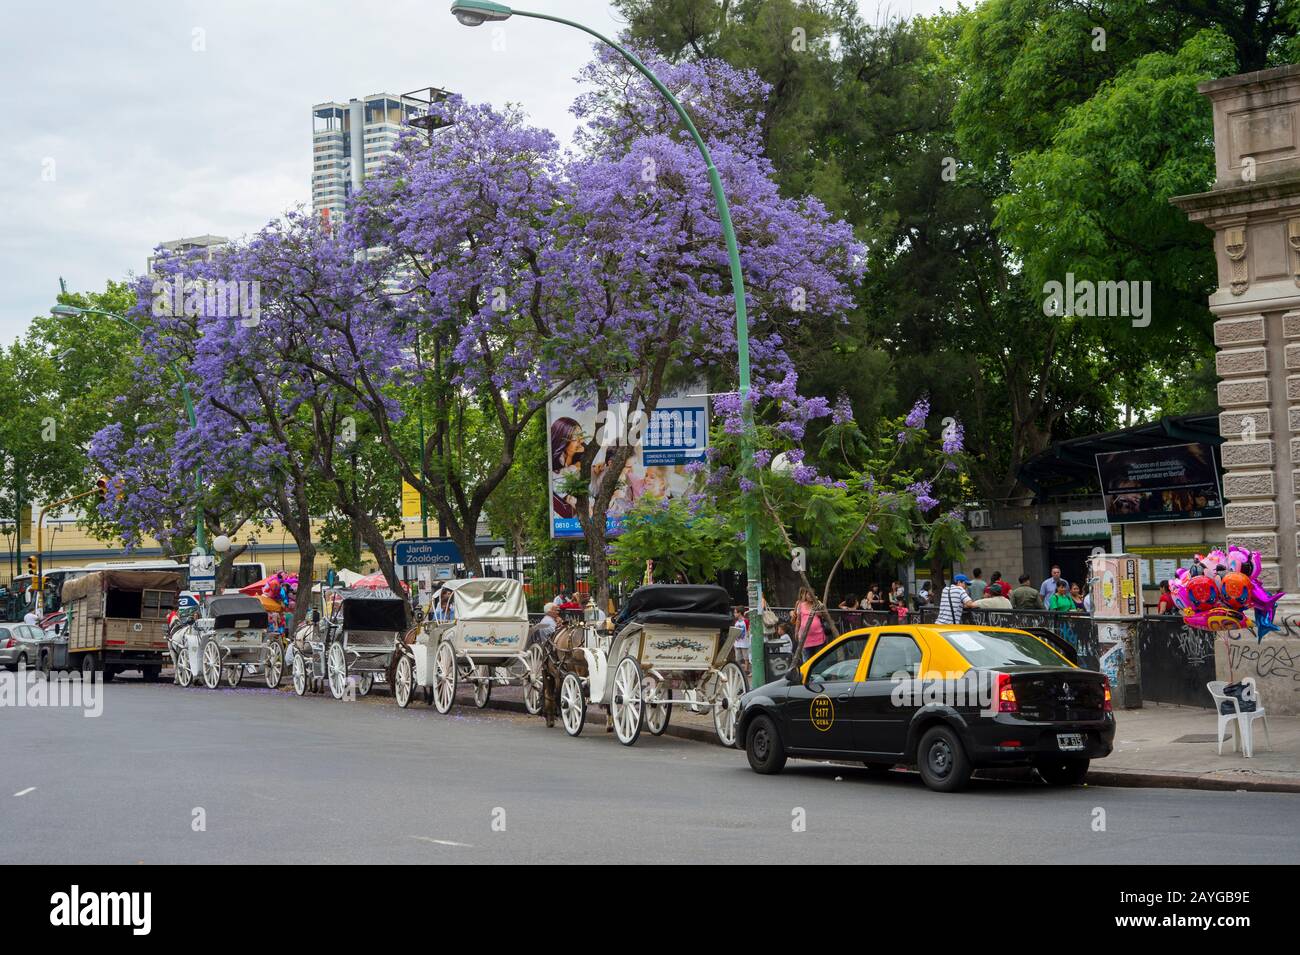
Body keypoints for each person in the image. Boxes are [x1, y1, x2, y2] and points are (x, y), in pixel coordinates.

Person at [793, 586, 826, 662]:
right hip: (805, 638)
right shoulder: (800, 605)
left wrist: (818, 605)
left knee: (819, 661)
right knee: (807, 661)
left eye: (813, 594)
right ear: (805, 595)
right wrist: (796, 631)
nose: (811, 596)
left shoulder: (817, 604)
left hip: (819, 637)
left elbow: (823, 615)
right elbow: (798, 620)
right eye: (809, 594)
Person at [732, 606, 750, 675]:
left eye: (735, 612)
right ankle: (738, 670)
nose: (734, 614)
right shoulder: (736, 622)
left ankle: (746, 670)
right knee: (737, 658)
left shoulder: (746, 621)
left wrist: (748, 636)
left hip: (744, 642)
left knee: (746, 657)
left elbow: (748, 629)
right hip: (737, 642)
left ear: (739, 613)